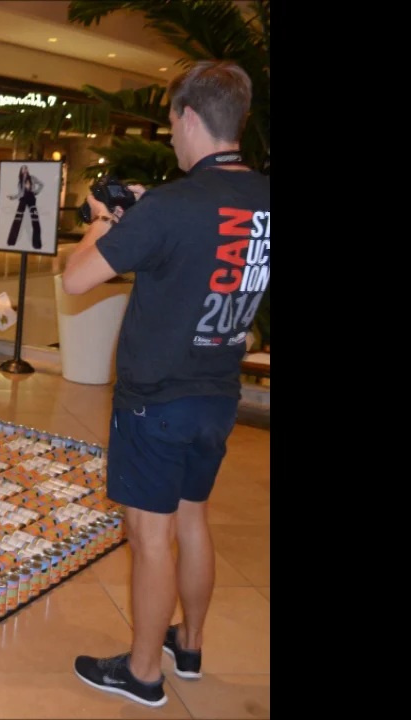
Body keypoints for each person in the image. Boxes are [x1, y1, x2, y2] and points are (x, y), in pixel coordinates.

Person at [60, 61, 268, 708]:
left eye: (172, 123)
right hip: (217, 392)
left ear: (188, 117)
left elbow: (76, 278)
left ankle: (143, 672)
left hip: (156, 400)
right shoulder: (261, 196)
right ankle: (191, 642)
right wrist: (149, 219)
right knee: (193, 519)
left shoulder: (173, 207)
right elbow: (209, 250)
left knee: (152, 539)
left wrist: (104, 218)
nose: (171, 137)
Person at [4, 165, 44, 249]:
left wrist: (35, 192)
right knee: (17, 219)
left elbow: (41, 184)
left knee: (35, 219)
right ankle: (11, 241)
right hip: (23, 199)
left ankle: (37, 244)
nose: (25, 170)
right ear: (21, 171)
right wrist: (12, 197)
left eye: (26, 168)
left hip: (31, 198)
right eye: (23, 168)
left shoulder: (32, 178)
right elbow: (20, 193)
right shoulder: (20, 181)